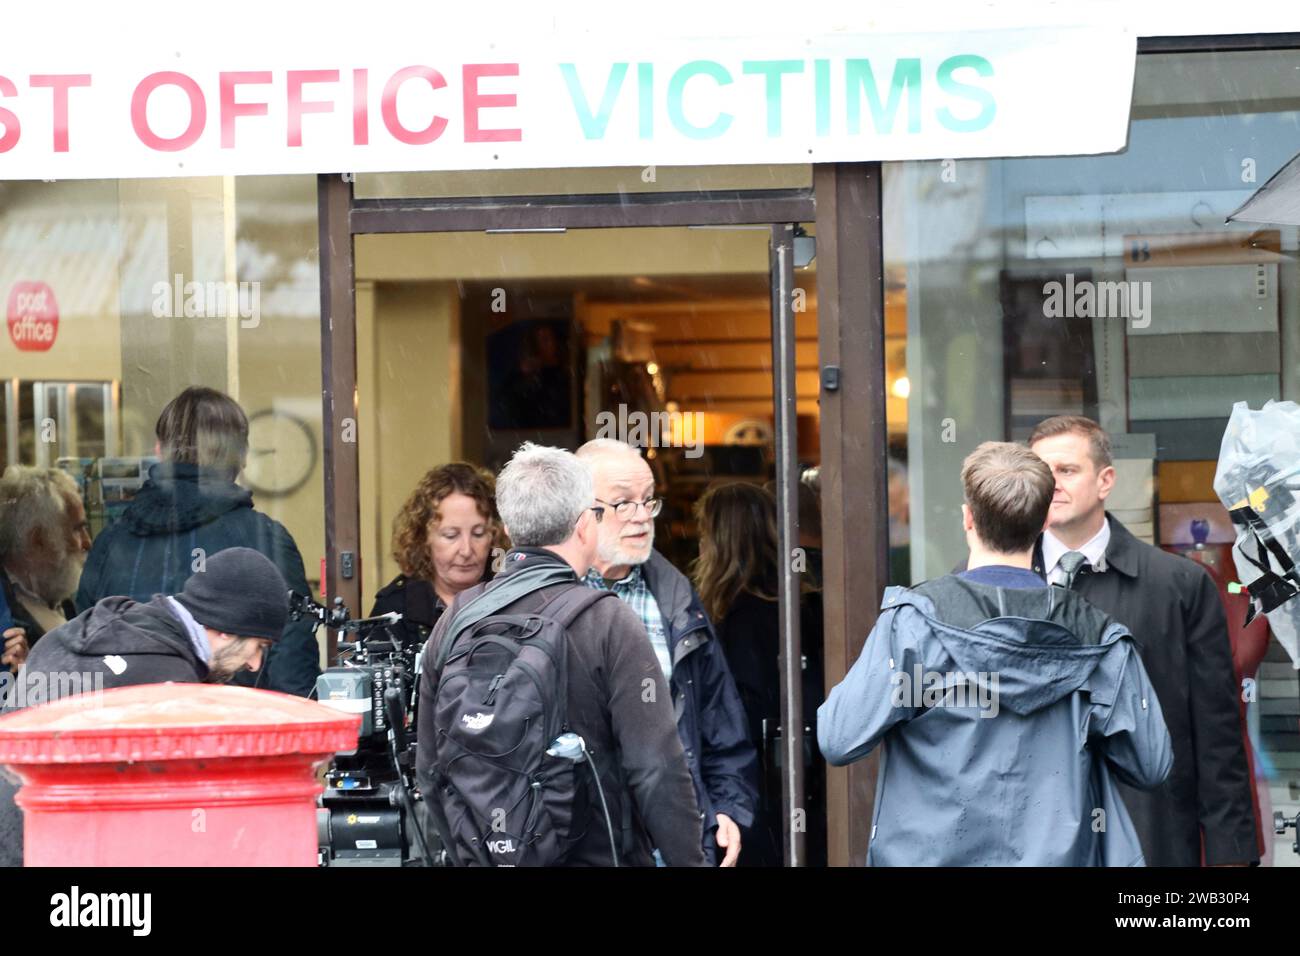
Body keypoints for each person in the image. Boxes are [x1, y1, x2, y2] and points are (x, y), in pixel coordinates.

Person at [819, 441, 1173, 866]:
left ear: (968, 518)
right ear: (1044, 521)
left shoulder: (914, 624)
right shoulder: (1097, 637)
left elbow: (838, 738)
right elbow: (1151, 765)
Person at [415, 443, 705, 866]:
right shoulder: (609, 620)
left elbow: (429, 769)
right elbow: (657, 770)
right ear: (585, 524)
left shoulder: (457, 617)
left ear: (509, 530)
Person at [1028, 415, 1259, 866]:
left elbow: (1216, 732)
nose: (1052, 484)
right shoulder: (991, 584)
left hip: (1151, 828)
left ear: (1105, 480)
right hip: (1031, 833)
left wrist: (1231, 851)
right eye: (1042, 473)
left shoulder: (1180, 585)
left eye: (1067, 470)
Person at [0, 547, 289, 866]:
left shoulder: (78, 634)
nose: (254, 664)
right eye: (258, 647)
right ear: (224, 627)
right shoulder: (168, 688)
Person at [575, 438, 758, 867]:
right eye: (623, 503)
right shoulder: (548, 599)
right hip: (575, 844)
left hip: (670, 843)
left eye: (648, 501)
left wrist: (729, 808)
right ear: (581, 512)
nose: (641, 517)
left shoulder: (676, 599)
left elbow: (722, 727)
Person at [75, 386, 320, 697]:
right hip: (234, 732)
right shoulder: (264, 539)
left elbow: (85, 647)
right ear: (242, 457)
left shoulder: (112, 542)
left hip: (127, 731)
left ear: (159, 451)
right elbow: (293, 667)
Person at [694, 481, 826, 867]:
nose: (699, 547)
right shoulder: (806, 605)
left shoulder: (733, 619)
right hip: (809, 783)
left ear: (720, 543)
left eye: (704, 535)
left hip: (757, 793)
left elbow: (735, 717)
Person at [371, 462, 500, 649]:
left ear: (494, 534)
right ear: (423, 538)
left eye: (478, 534)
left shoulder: (513, 598)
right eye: (451, 535)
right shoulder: (395, 607)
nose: (466, 550)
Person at [0, 466, 94, 664]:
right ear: (38, 540)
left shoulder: (55, 591)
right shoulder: (7, 612)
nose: (87, 542)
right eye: (77, 530)